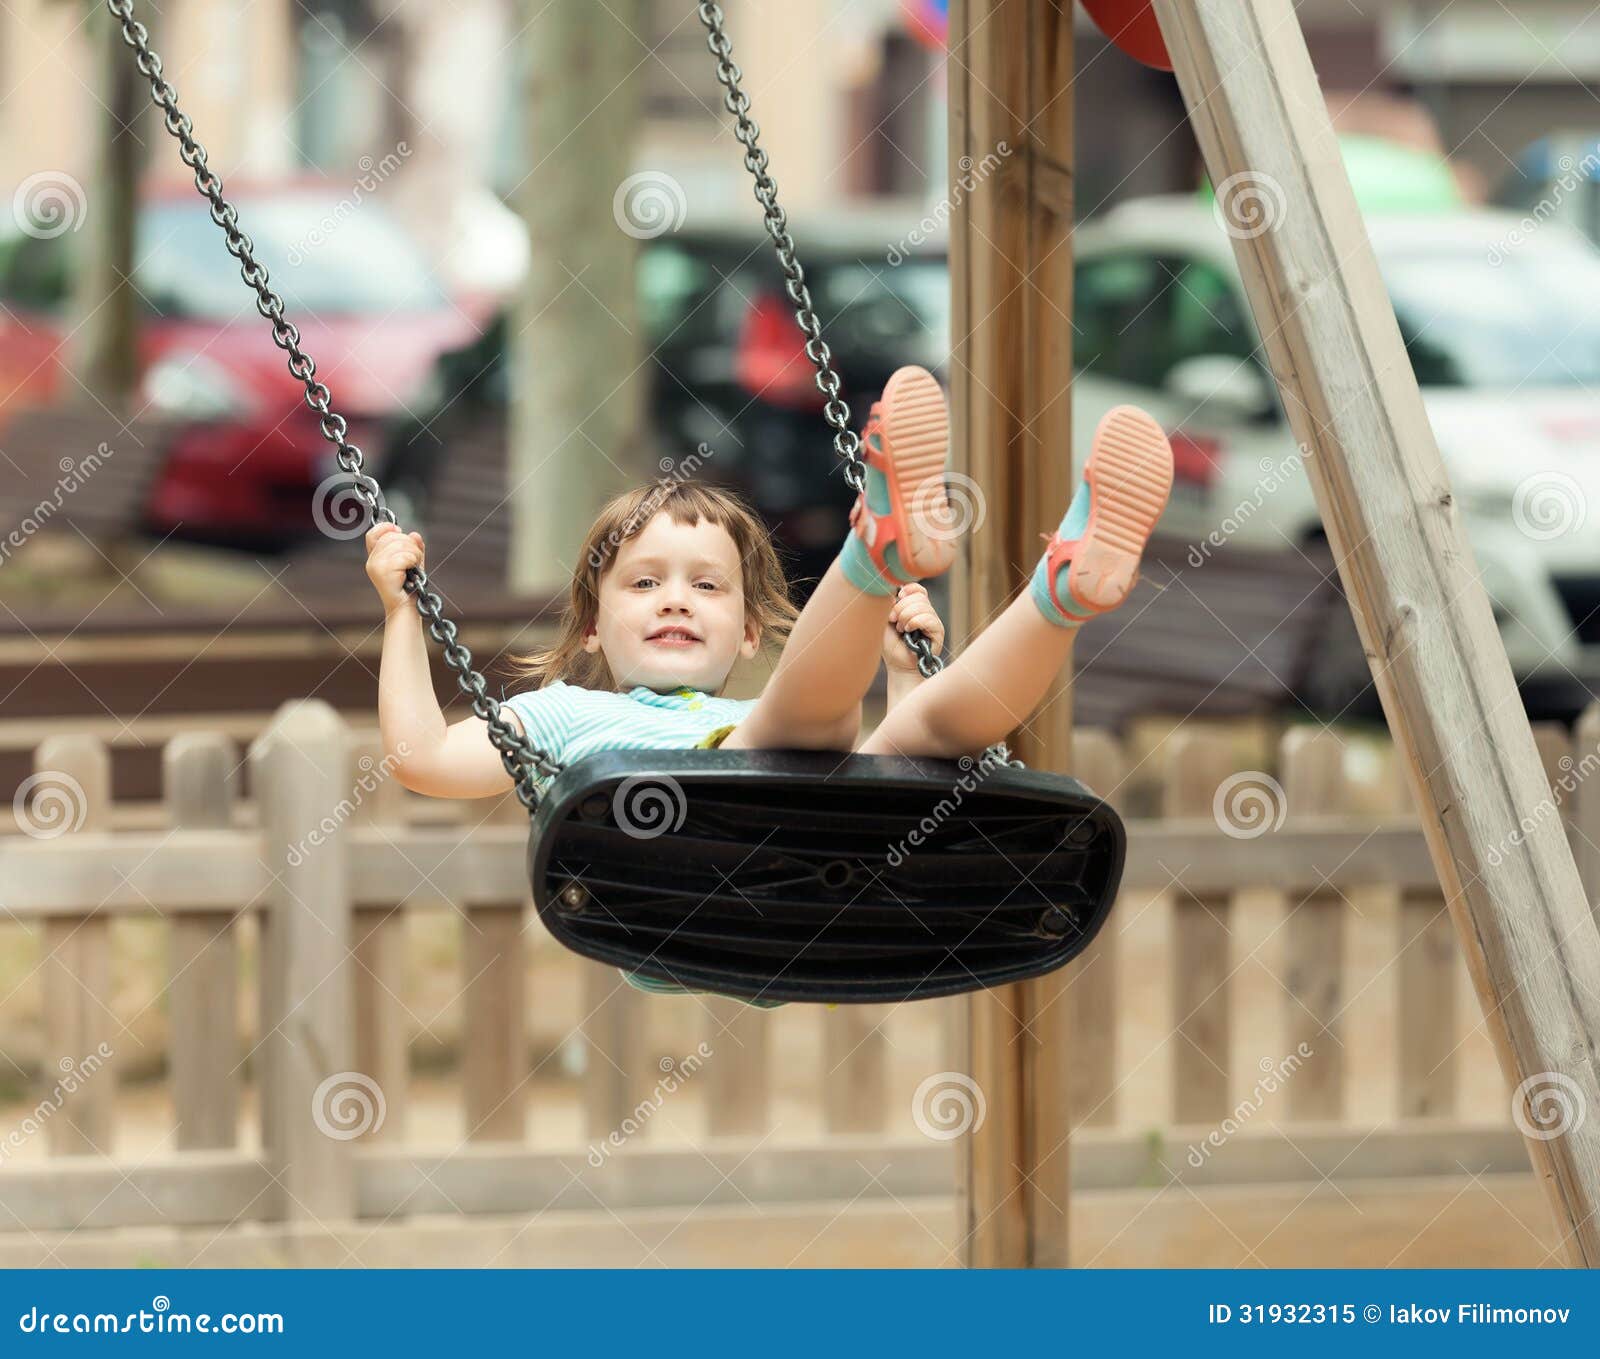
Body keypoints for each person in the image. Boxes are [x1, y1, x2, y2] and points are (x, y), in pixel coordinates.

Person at [367, 366, 1175, 1007]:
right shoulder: (565, 714)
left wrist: (902, 675)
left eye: (708, 587)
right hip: (676, 885)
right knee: (793, 740)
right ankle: (875, 551)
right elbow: (421, 756)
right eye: (644, 583)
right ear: (590, 626)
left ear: (748, 631)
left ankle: (1063, 594)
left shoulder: (761, 711)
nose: (677, 597)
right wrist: (401, 614)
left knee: (907, 744)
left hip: (827, 894)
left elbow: (898, 796)